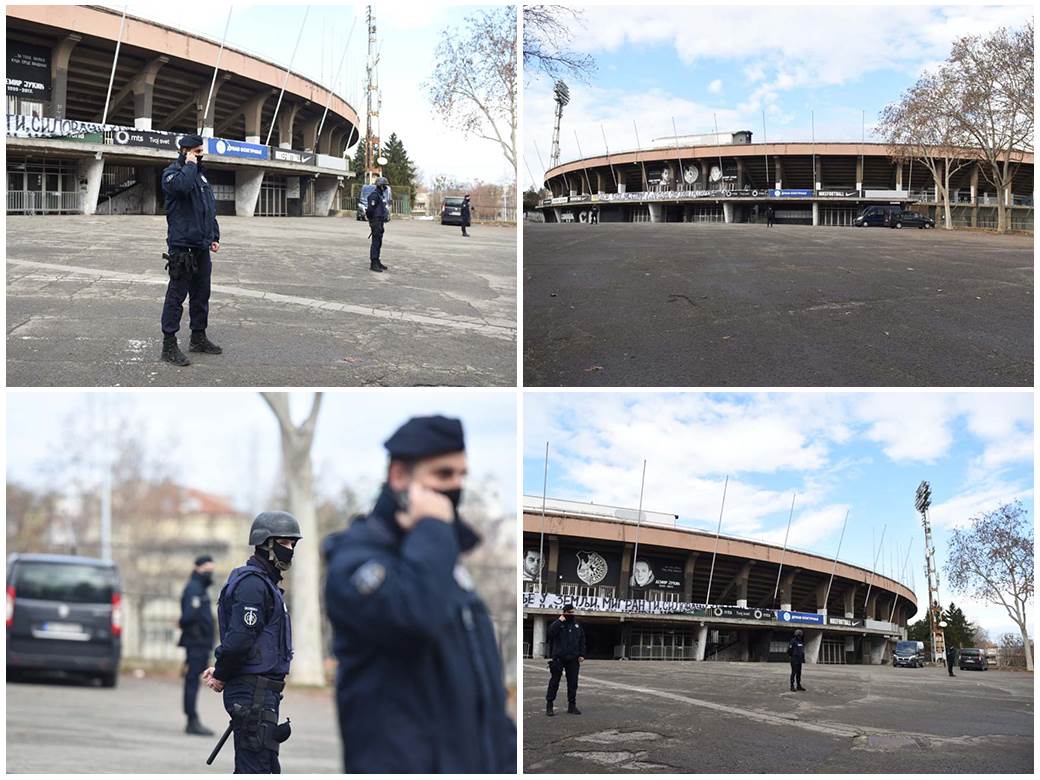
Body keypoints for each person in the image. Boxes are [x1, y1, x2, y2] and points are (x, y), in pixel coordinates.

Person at [323, 415, 516, 773]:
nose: (456, 487)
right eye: (443, 475)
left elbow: (484, 702)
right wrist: (432, 528)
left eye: (461, 475)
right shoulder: (356, 558)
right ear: (399, 476)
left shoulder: (440, 559)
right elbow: (413, 615)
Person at [202, 512, 300, 774]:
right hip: (253, 694)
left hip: (261, 691)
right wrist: (222, 673)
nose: (290, 550)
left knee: (263, 768)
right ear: (266, 543)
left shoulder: (265, 584)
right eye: (285, 543)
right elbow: (239, 641)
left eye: (293, 544)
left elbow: (249, 642)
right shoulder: (253, 586)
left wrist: (224, 669)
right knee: (255, 770)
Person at [160, 133, 222, 366]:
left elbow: (209, 209)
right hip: (182, 247)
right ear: (185, 152)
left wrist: (213, 236)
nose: (201, 155)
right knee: (176, 296)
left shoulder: (201, 178)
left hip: (201, 246)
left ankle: (198, 337)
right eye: (197, 152)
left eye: (201, 151)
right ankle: (168, 345)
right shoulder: (172, 174)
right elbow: (182, 189)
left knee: (201, 294)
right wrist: (189, 165)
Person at [179, 554, 217, 736]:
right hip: (196, 642)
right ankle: (191, 719)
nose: (210, 574)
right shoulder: (194, 588)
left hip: (200, 643)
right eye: (207, 570)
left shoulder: (200, 588)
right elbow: (188, 616)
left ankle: (192, 718)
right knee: (192, 681)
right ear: (198, 569)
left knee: (193, 680)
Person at [546, 604, 586, 715]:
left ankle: (572, 706)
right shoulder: (558, 624)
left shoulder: (577, 625)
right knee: (554, 682)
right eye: (569, 612)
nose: (571, 614)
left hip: (573, 658)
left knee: (573, 683)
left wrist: (582, 654)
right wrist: (559, 621)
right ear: (564, 612)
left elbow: (582, 640)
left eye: (573, 612)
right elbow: (550, 633)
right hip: (559, 657)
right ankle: (549, 705)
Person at [366, 177, 390, 272]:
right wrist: (372, 220)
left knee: (379, 242)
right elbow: (370, 210)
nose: (386, 188)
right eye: (385, 186)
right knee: (375, 242)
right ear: (381, 186)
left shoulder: (380, 195)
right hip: (376, 221)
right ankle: (374, 263)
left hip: (380, 221)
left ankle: (377, 260)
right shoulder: (374, 195)